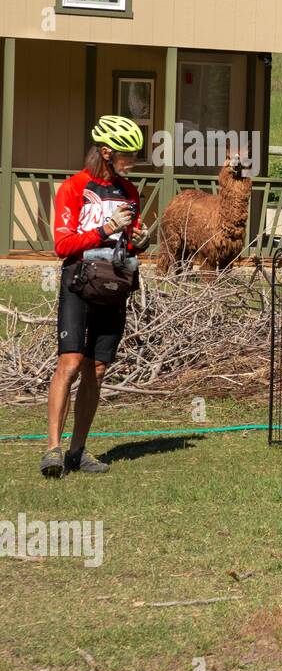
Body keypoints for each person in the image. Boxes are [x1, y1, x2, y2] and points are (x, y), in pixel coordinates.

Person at [41, 115, 152, 478]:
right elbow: (63, 245)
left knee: (97, 369)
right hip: (78, 282)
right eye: (127, 154)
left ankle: (77, 451)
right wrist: (104, 228)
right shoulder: (74, 187)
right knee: (70, 364)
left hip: (113, 284)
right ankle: (53, 450)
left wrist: (139, 240)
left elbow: (129, 240)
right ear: (107, 152)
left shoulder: (129, 191)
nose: (133, 160)